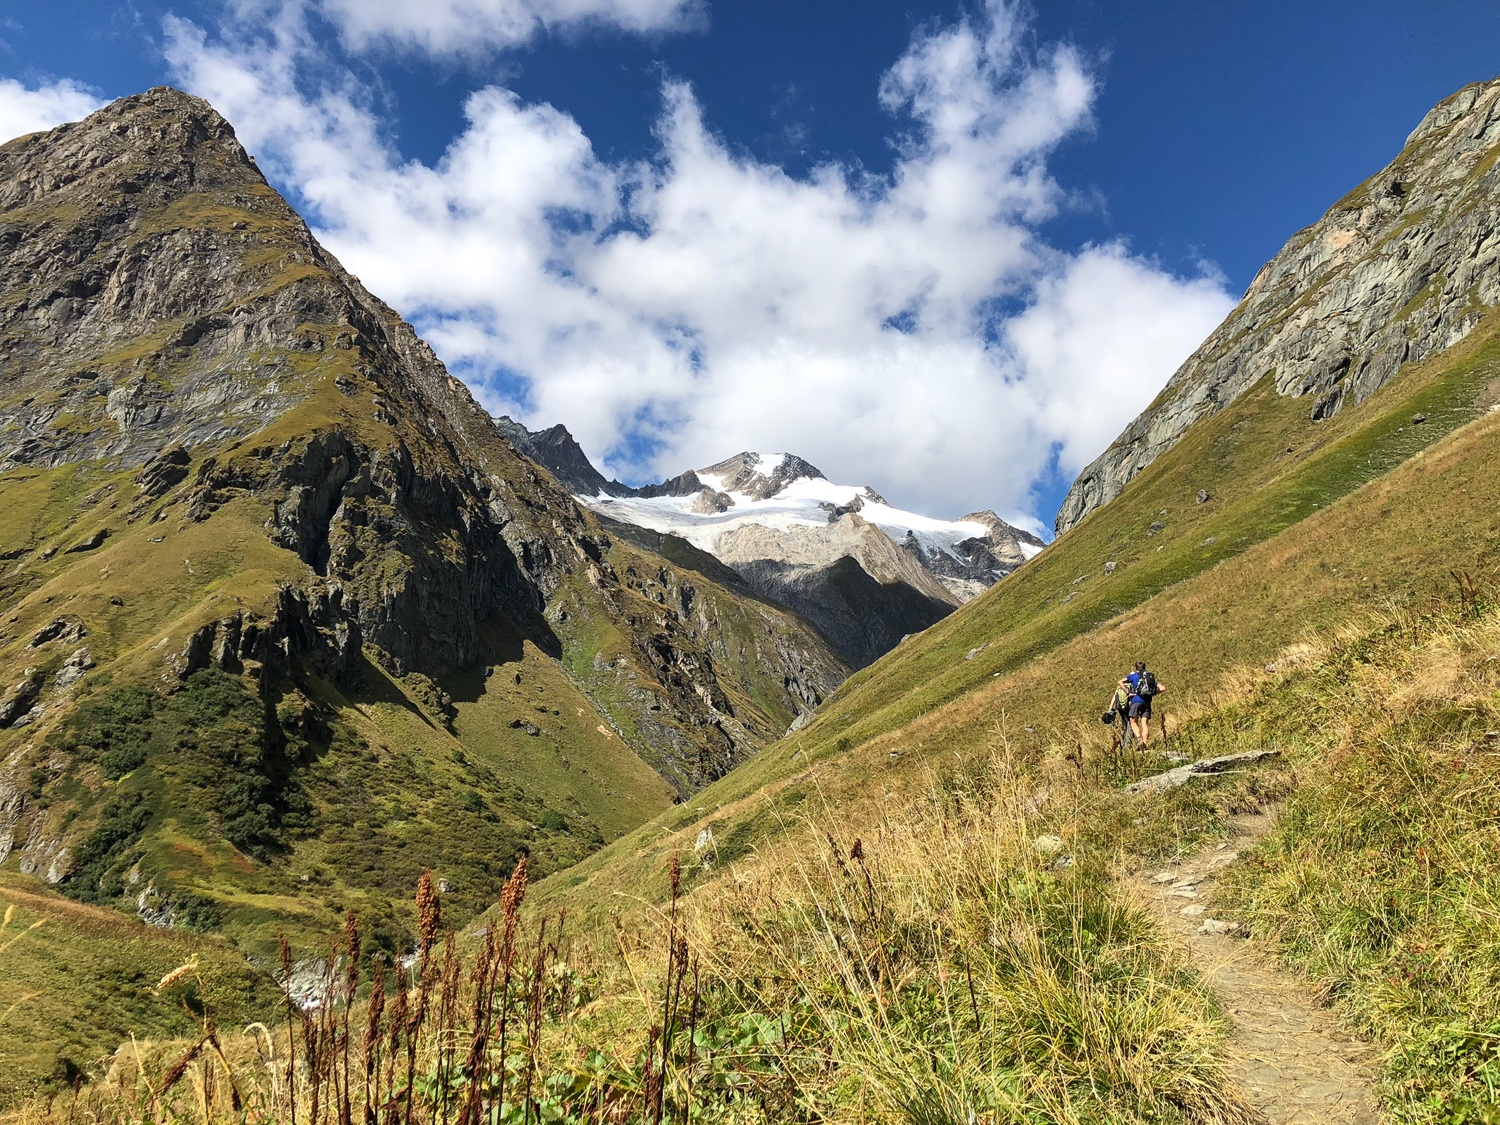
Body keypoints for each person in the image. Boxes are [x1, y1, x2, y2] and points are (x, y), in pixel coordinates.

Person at [1120, 661, 1164, 748]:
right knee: (1145, 724)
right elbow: (1163, 688)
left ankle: (1139, 739)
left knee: (1133, 722)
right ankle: (1144, 744)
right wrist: (1153, 693)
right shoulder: (1148, 677)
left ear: (1135, 668)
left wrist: (1128, 693)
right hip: (1147, 703)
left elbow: (1120, 682)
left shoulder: (1133, 676)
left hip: (1136, 701)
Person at [1105, 680, 1134, 746]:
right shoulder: (1132, 686)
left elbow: (1114, 698)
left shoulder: (1120, 687)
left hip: (1120, 708)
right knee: (1130, 724)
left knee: (1124, 724)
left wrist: (1110, 708)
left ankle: (1122, 742)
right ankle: (1128, 743)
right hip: (1129, 708)